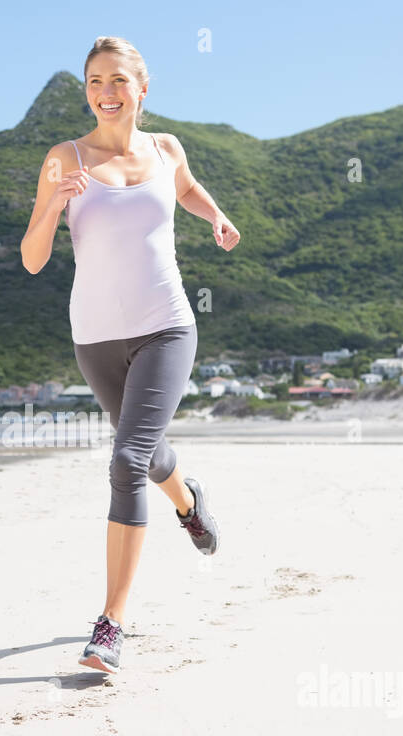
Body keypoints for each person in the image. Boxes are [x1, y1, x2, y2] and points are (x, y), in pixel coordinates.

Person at [21, 36, 241, 674]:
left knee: (126, 457)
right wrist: (57, 204)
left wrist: (216, 217)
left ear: (142, 90)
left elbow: (189, 187)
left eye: (118, 80)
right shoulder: (63, 158)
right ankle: (190, 502)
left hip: (166, 326)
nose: (106, 92)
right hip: (95, 337)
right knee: (147, 455)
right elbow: (34, 259)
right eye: (94, 81)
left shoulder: (165, 149)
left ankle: (109, 624)